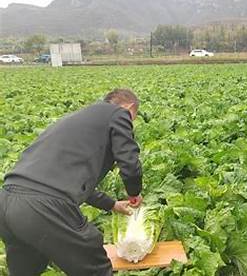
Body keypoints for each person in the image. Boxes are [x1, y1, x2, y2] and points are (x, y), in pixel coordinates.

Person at [0, 88, 144, 275]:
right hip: (44, 206)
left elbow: (66, 181)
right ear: (130, 107)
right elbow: (129, 162)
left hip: (7, 201)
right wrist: (134, 191)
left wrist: (112, 204)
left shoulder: (73, 121)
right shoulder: (118, 113)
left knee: (27, 269)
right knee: (95, 268)